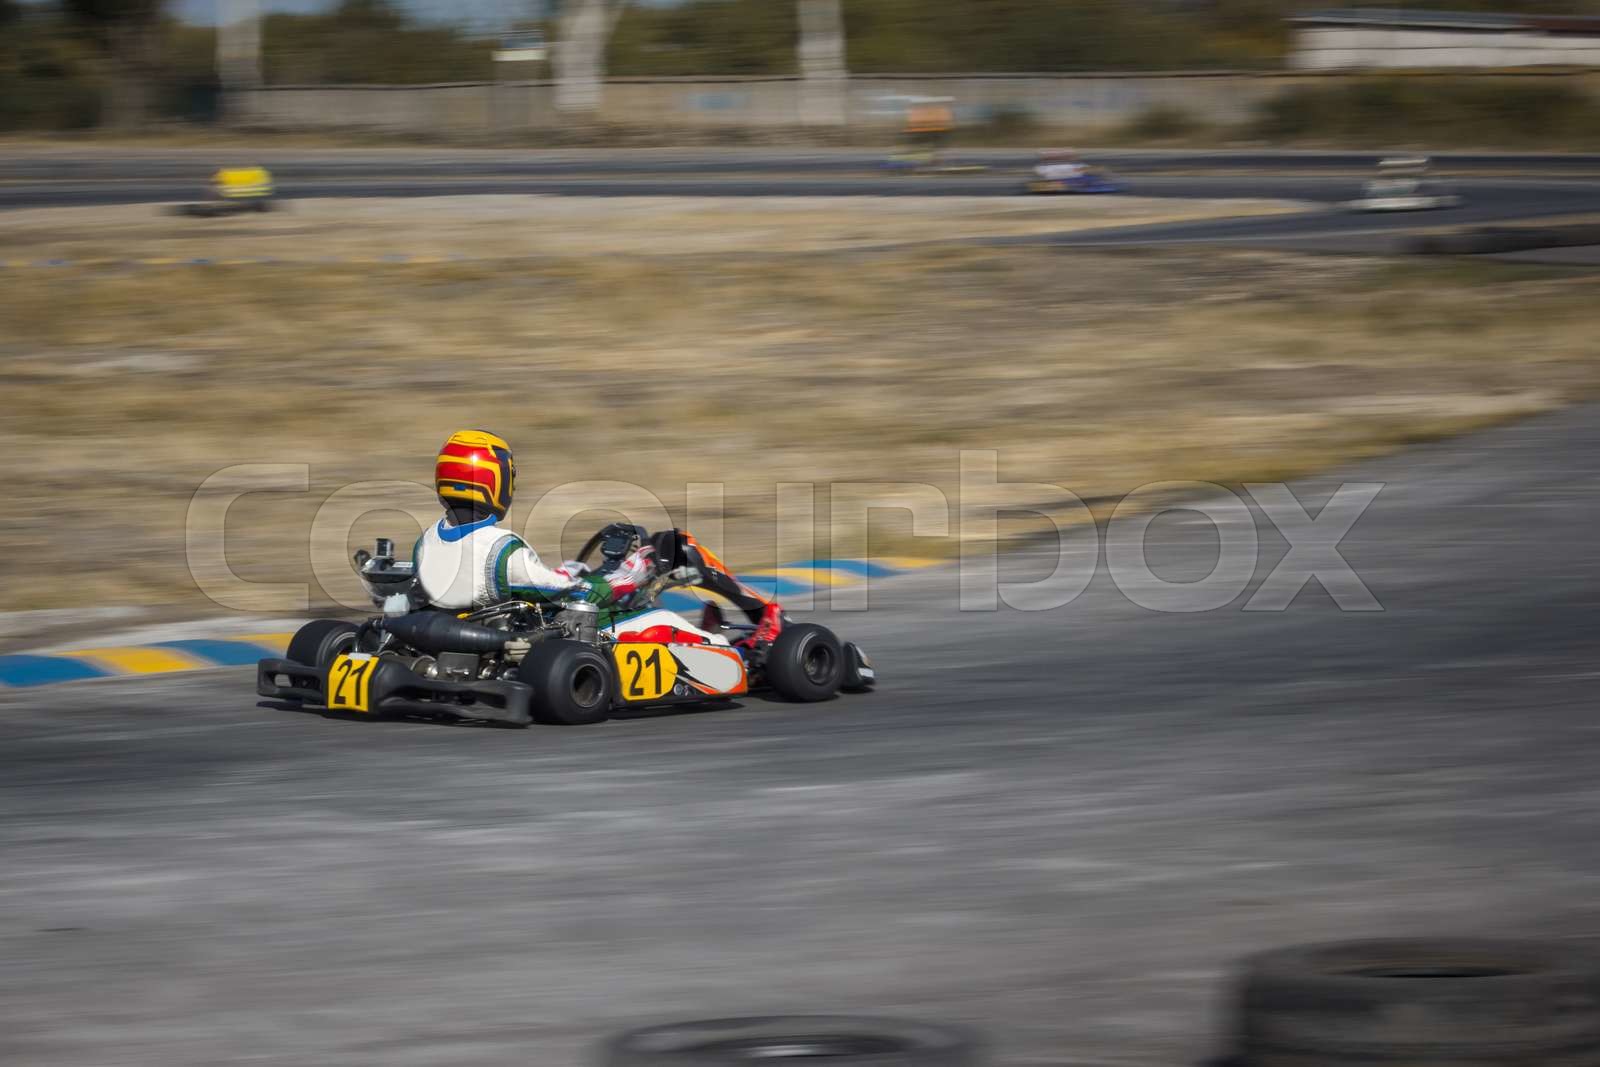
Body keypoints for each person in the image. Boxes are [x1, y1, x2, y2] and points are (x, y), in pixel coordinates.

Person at [413, 429, 655, 613]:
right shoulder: (499, 548)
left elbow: (527, 582)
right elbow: (576, 593)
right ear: (494, 480)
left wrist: (563, 572)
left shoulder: (426, 541)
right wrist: (629, 576)